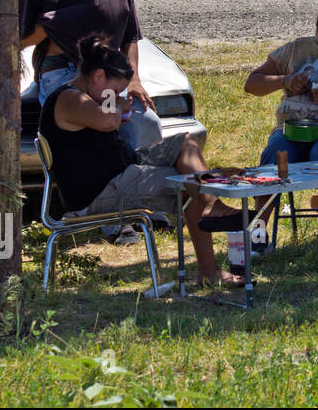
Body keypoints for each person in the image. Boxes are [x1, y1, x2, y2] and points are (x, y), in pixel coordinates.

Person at [40, 35, 246, 286]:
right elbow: (107, 121)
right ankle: (209, 269)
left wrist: (115, 102)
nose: (116, 95)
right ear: (98, 77)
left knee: (184, 142)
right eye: (114, 89)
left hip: (121, 170)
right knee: (188, 187)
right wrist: (115, 104)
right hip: (98, 191)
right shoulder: (69, 99)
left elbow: (106, 119)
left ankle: (209, 203)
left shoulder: (88, 96)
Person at [19, 0, 162, 151]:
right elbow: (16, 40)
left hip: (106, 77)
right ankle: (96, 184)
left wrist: (134, 80)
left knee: (143, 123)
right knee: (96, 127)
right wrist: (47, 28)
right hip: (63, 75)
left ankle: (137, 181)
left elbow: (130, 36)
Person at [243, 0, 318, 259]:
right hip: (293, 130)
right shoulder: (297, 49)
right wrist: (285, 80)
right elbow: (252, 84)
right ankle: (258, 235)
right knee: (275, 154)